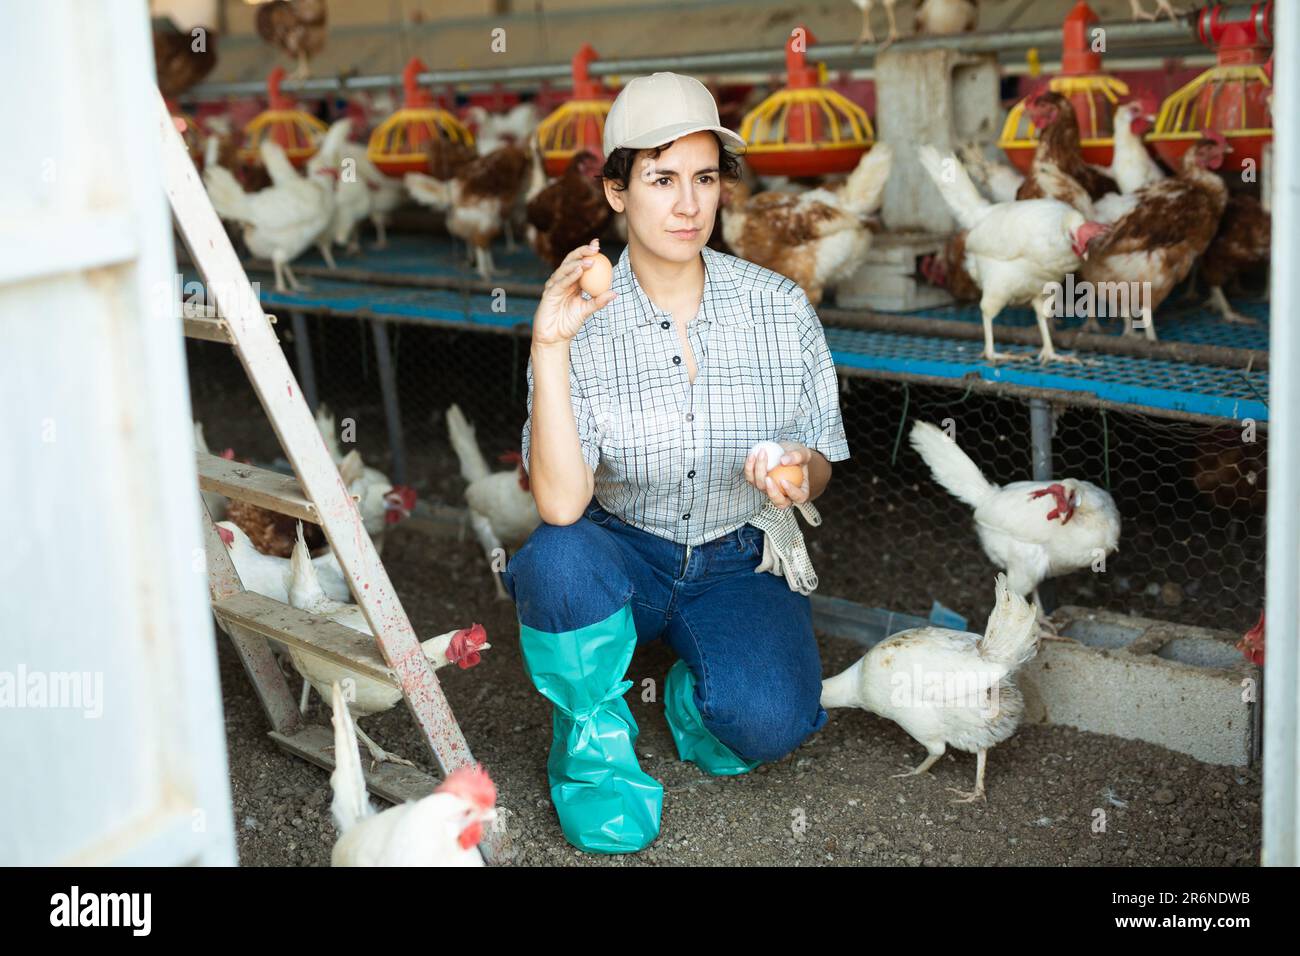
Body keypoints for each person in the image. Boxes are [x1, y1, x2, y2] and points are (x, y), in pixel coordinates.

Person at [501, 72, 850, 854]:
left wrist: (797, 467)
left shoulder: (780, 307)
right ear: (619, 193)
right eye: (662, 180)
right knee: (556, 561)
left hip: (737, 555)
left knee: (768, 725)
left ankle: (696, 690)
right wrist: (549, 345)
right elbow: (559, 506)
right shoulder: (581, 318)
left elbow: (822, 458)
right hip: (620, 549)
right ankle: (594, 747)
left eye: (704, 178)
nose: (689, 205)